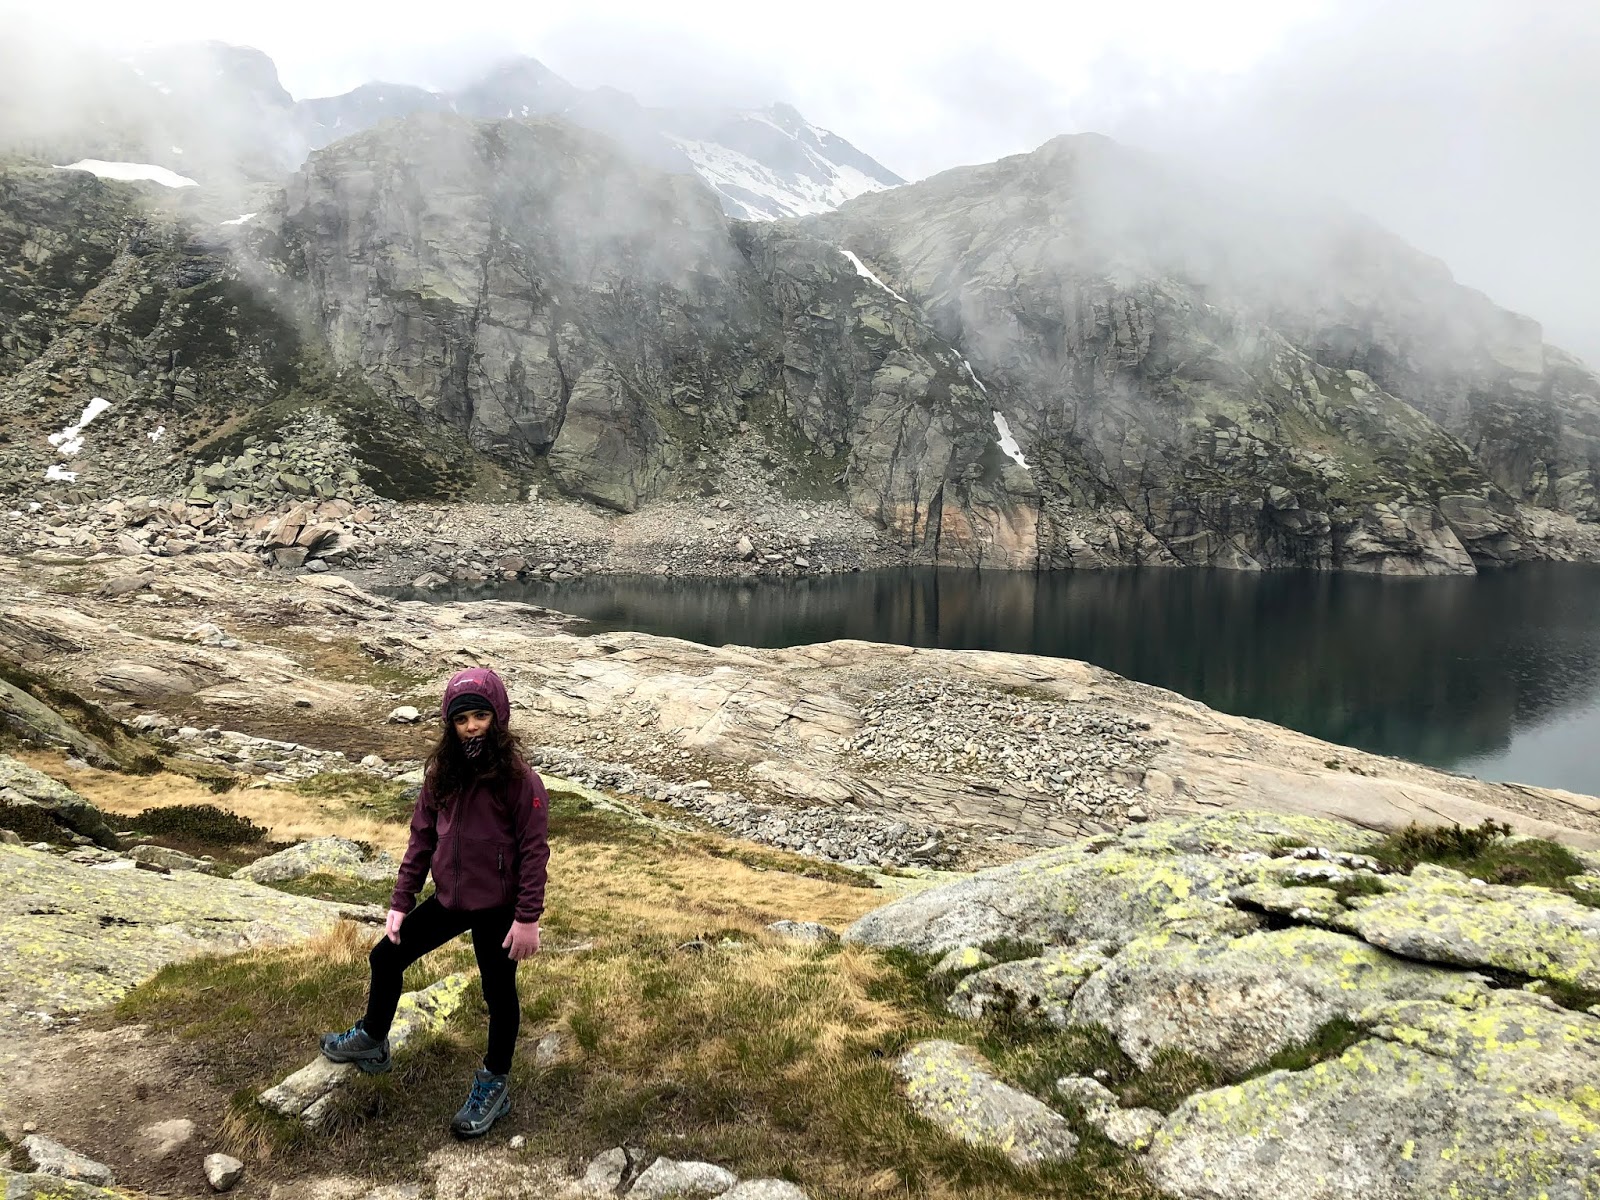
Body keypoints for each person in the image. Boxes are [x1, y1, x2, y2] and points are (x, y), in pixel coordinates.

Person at [319, 666, 550, 1139]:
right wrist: (401, 902)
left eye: (480, 715)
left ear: (498, 717)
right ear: (450, 723)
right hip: (449, 900)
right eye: (461, 717)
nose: (471, 726)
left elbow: (533, 851)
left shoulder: (518, 780)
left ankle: (495, 1082)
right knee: (386, 956)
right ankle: (372, 1040)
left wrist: (527, 919)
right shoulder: (441, 774)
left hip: (498, 907)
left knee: (498, 993)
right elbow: (421, 839)